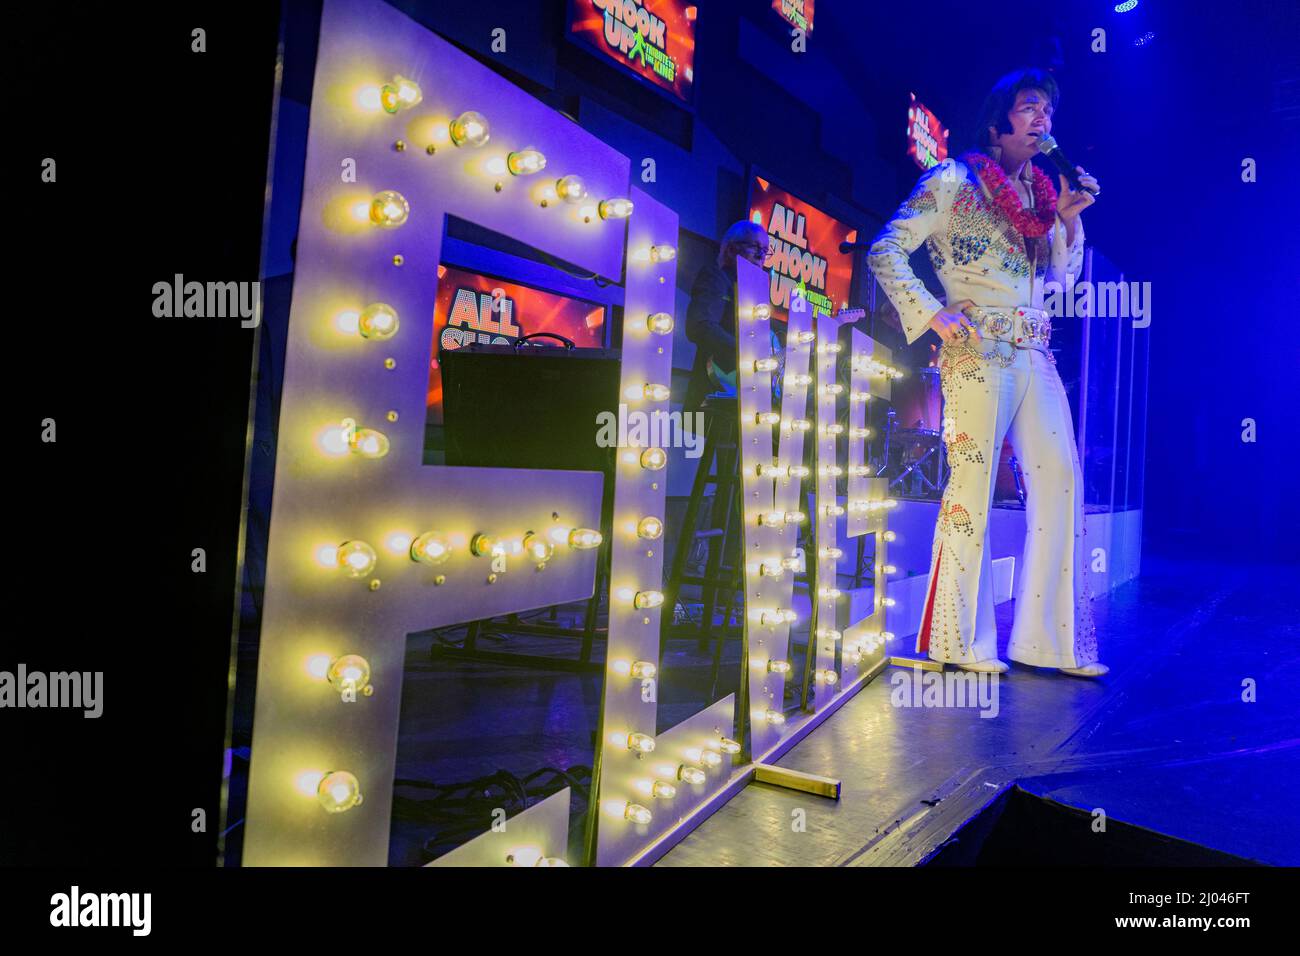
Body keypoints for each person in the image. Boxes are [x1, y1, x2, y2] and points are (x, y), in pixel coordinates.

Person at [867, 67, 1108, 677]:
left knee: (1061, 482)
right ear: (999, 121)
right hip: (976, 349)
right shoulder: (953, 178)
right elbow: (886, 247)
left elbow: (1063, 286)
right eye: (1030, 108)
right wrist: (932, 313)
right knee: (970, 489)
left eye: (1048, 111)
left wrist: (1071, 222)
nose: (1042, 119)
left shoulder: (1044, 201)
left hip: (1035, 351)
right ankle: (959, 643)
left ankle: (1050, 644)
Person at [683, 220, 772, 413]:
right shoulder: (716, 277)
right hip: (712, 397)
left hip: (744, 400)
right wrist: (746, 351)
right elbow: (699, 326)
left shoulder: (755, 295)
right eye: (755, 247)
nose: (761, 256)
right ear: (731, 250)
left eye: (765, 250)